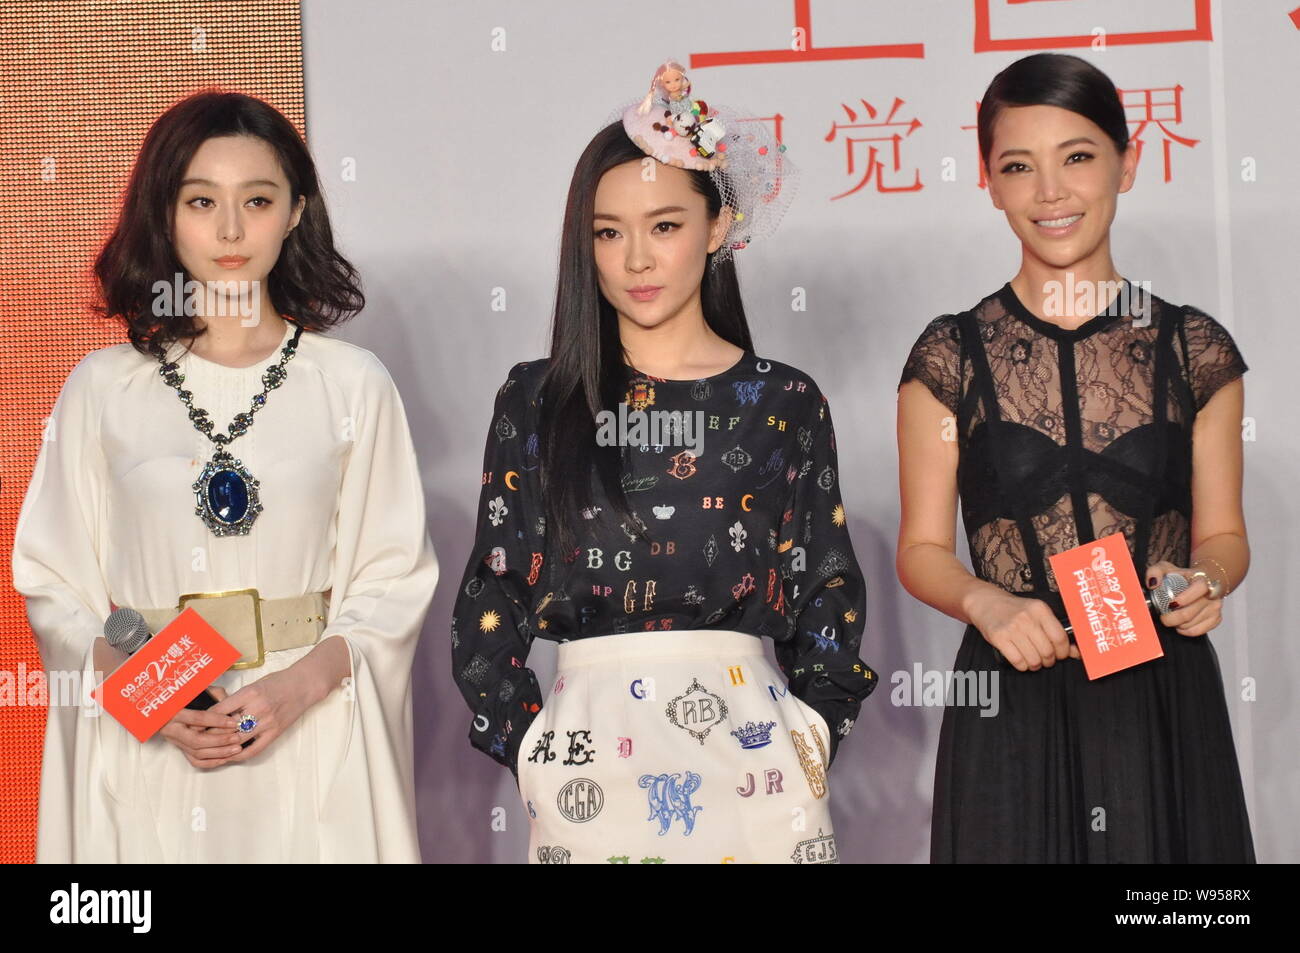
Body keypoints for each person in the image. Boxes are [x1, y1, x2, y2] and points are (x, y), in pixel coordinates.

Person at [451, 60, 878, 864]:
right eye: (608, 232)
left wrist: (812, 733)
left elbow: (827, 585)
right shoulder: (537, 400)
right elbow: (491, 594)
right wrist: (533, 746)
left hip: (759, 764)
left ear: (718, 227)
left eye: (665, 225)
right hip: (589, 762)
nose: (636, 259)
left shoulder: (783, 400)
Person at [11, 91, 439, 863]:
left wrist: (297, 688)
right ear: (165, 214)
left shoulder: (352, 383)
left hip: (308, 732)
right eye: (202, 200)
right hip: (152, 733)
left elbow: (392, 578)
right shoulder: (103, 387)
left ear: (297, 211)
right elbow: (53, 581)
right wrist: (142, 690)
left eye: (259, 200)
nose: (232, 229)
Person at [895, 53, 1255, 862]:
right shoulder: (947, 356)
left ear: (1127, 164)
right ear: (988, 180)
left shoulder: (1196, 350)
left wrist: (1205, 581)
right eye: (1019, 166)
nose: (1050, 192)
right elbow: (920, 552)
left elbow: (1225, 535)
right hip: (1009, 703)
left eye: (1079, 157)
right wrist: (988, 605)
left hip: (1158, 696)